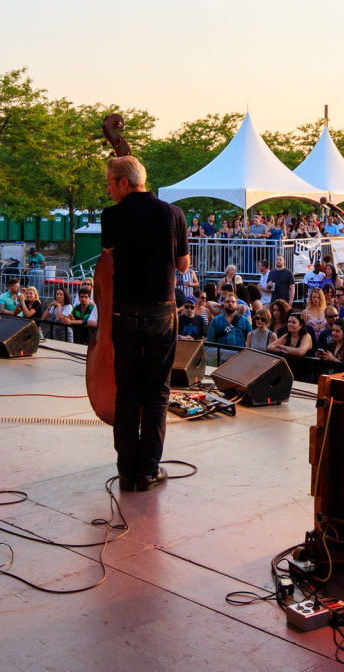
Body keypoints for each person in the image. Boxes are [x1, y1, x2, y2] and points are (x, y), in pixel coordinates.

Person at [99, 155, 189, 492]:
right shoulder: (173, 214)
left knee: (127, 392)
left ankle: (126, 471)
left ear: (124, 183)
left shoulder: (112, 216)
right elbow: (182, 266)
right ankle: (148, 471)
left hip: (124, 312)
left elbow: (108, 253)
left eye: (110, 183)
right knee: (156, 393)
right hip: (161, 313)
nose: (108, 190)